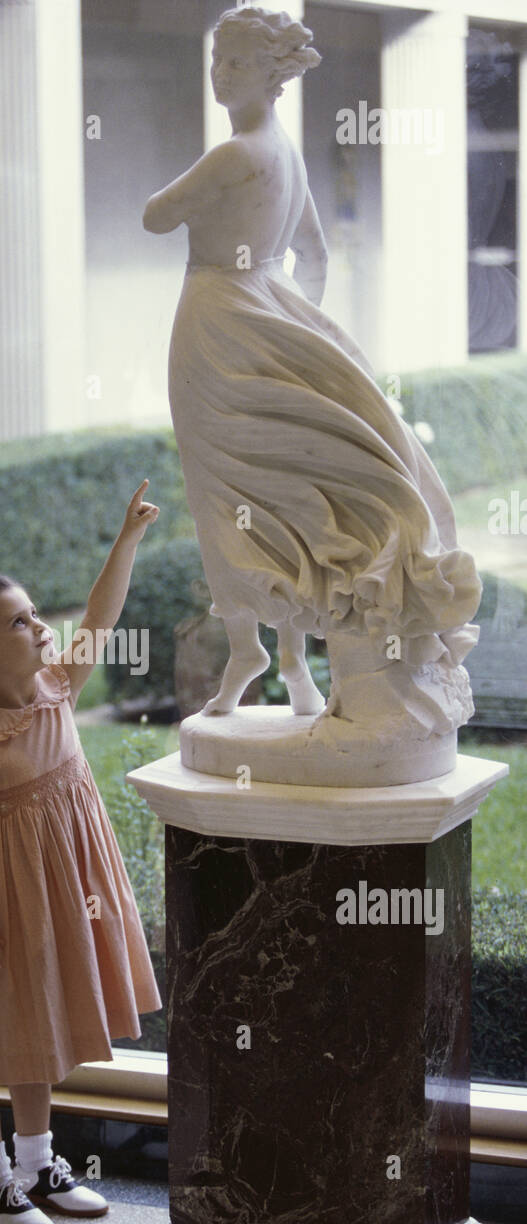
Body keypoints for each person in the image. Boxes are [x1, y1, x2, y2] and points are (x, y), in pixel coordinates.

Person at [144, 7, 481, 749]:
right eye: (216, 59)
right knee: (274, 496)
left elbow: (154, 216)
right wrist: (293, 333)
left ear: (271, 74)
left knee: (226, 494)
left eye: (235, 62)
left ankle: (254, 652)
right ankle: (286, 661)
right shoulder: (287, 155)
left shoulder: (234, 155)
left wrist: (270, 326)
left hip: (215, 322)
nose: (219, 74)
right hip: (264, 311)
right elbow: (316, 257)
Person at [0, 482, 163, 1224]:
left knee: (33, 1027)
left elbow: (100, 617)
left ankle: (35, 1164)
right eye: (20, 621)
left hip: (58, 896)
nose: (39, 626)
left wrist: (126, 540)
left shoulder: (58, 689)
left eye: (32, 613)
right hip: (1, 904)